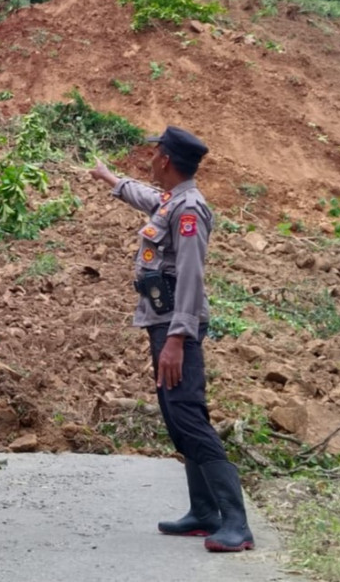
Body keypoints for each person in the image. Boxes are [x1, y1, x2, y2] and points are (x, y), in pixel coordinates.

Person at [89, 126, 254, 553]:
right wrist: (110, 179)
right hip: (160, 323)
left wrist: (178, 337)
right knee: (178, 419)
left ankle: (235, 522)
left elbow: (192, 277)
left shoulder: (189, 211)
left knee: (190, 418)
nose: (150, 157)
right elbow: (148, 199)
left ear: (165, 158)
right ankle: (203, 512)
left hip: (176, 329)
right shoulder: (172, 202)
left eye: (155, 151)